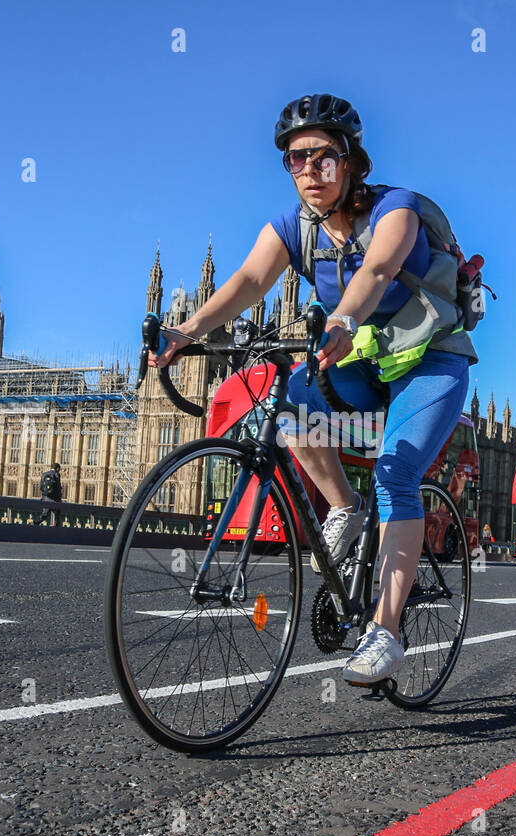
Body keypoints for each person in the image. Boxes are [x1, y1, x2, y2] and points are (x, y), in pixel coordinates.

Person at [150, 94, 477, 686]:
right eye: (296, 160)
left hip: (431, 361)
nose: (308, 171)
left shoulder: (395, 210)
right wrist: (187, 331)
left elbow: (376, 272)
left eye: (321, 158)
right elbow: (251, 279)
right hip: (362, 363)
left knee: (395, 474)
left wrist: (345, 318)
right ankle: (344, 511)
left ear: (350, 160)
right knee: (294, 398)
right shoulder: (294, 230)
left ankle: (386, 631)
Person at [40, 462, 62, 526]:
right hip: (55, 499)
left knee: (44, 515)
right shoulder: (56, 474)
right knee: (57, 515)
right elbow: (58, 488)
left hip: (45, 498)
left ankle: (35, 523)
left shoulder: (44, 474)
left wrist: (45, 495)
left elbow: (41, 487)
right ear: (57, 468)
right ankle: (55, 530)